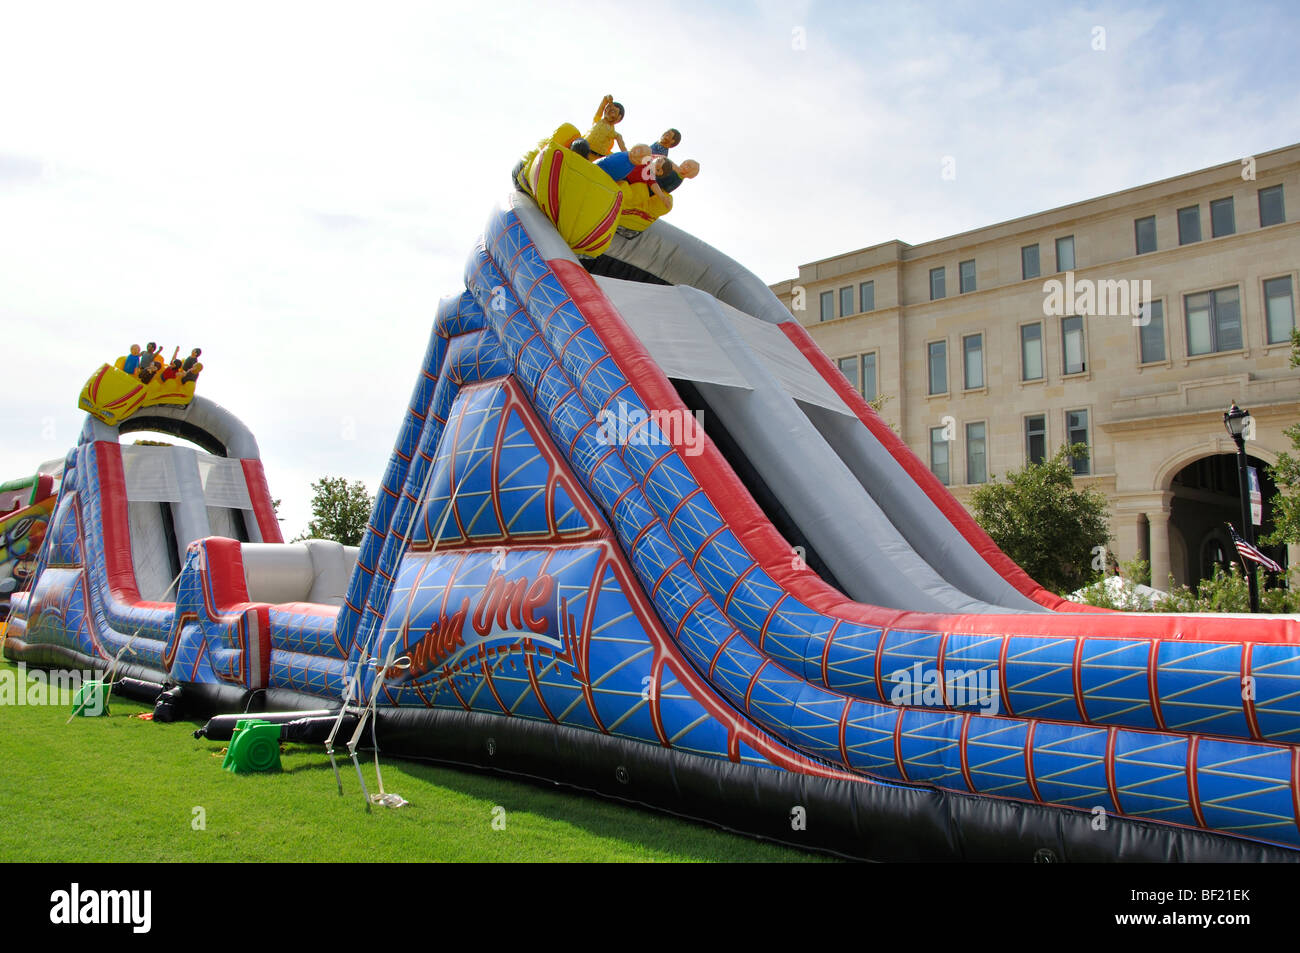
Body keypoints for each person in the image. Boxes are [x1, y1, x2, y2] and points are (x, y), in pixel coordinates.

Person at [584, 95, 626, 159]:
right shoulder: (597, 120)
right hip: (583, 149)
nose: (610, 111)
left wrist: (629, 157)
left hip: (595, 157)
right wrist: (609, 99)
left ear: (619, 118)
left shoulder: (614, 133)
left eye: (614, 112)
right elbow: (603, 103)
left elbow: (623, 149)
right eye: (609, 108)